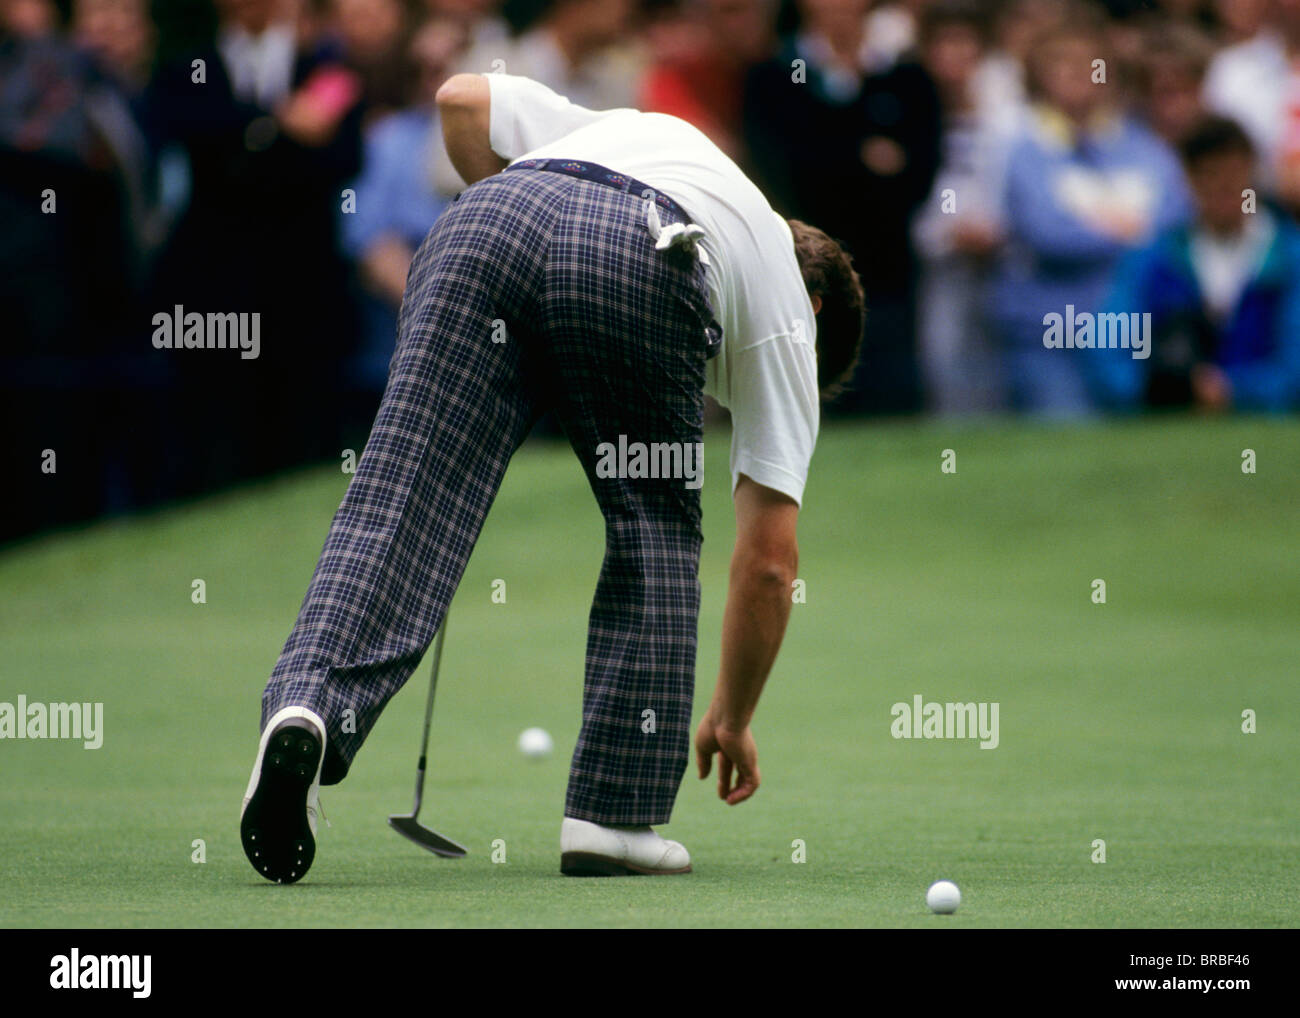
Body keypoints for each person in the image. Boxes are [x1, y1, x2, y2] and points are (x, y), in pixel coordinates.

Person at [240, 71, 865, 881]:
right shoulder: (787, 308)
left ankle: (309, 703)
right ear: (816, 314)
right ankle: (612, 814)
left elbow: (462, 98)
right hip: (643, 247)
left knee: (401, 492)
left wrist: (524, 252)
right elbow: (770, 561)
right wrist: (732, 714)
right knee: (655, 524)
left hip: (482, 225)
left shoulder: (650, 133)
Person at [1095, 116, 1300, 413]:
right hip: (1168, 424)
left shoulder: (1288, 256)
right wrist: (1163, 389)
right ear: (1189, 181)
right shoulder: (1153, 257)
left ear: (1251, 173)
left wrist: (1234, 390)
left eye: (1232, 176)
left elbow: (1294, 363)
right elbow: (1107, 346)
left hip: (1265, 426)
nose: (1222, 190)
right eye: (1209, 176)